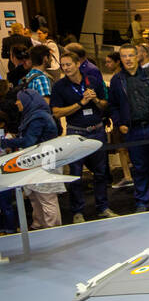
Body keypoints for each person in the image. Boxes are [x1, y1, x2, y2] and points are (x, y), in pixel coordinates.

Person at [107, 42, 149, 211]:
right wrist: (119, 123)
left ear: (137, 56)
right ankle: (142, 201)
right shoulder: (117, 80)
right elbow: (113, 106)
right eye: (124, 56)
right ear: (120, 59)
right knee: (139, 168)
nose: (128, 59)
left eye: (131, 55)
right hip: (133, 131)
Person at [50, 53, 114, 221]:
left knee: (101, 173)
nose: (65, 68)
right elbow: (56, 113)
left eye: (68, 64)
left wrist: (95, 100)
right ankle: (77, 211)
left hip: (97, 131)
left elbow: (105, 105)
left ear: (77, 64)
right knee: (76, 174)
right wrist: (80, 104)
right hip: (75, 132)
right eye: (63, 65)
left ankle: (103, 207)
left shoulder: (93, 80)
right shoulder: (59, 86)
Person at [1, 89, 62, 228]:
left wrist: (6, 142)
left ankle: (53, 230)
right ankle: (39, 225)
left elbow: (29, 141)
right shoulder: (32, 115)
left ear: (27, 101)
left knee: (46, 199)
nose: (16, 103)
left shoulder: (38, 117)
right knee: (35, 197)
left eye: (19, 100)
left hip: (45, 164)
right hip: (36, 163)